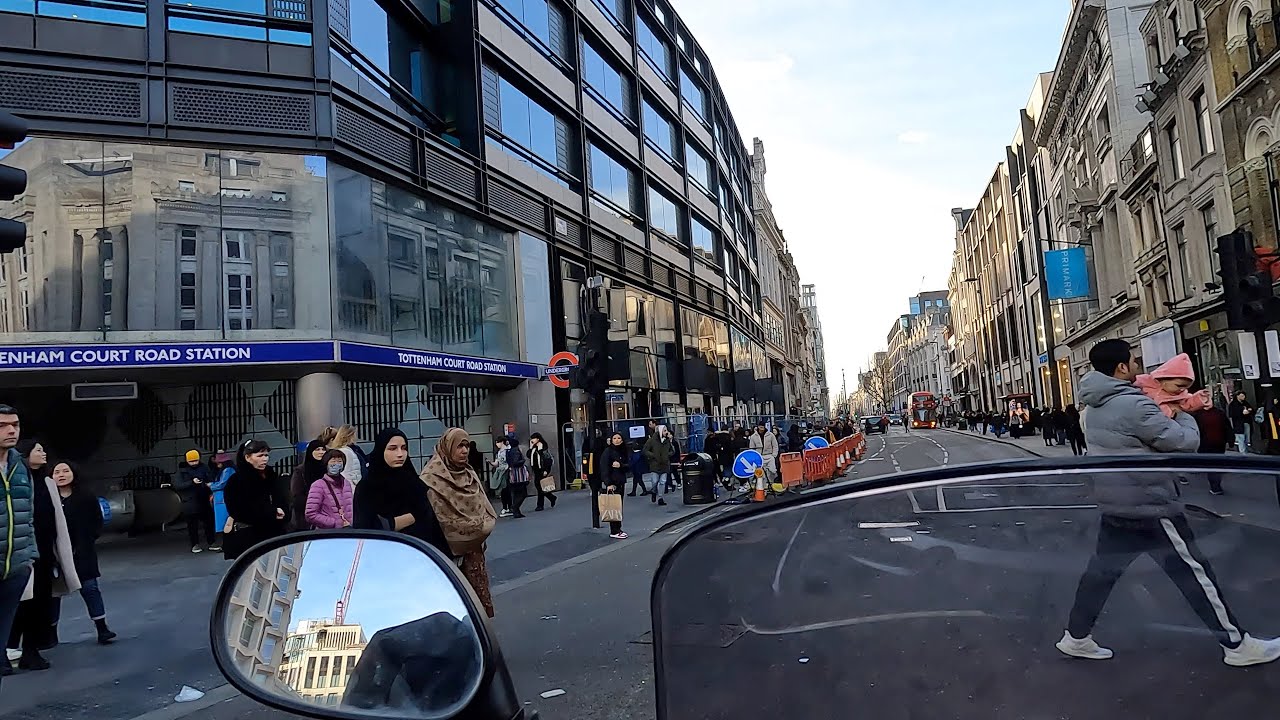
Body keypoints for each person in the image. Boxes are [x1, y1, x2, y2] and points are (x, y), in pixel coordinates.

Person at [1057, 338, 1280, 666]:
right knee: (1194, 572)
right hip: (1152, 503)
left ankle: (1076, 636)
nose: (1137, 366)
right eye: (1133, 361)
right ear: (1121, 368)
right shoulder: (1136, 406)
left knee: (1100, 575)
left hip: (1116, 503)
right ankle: (1237, 645)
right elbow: (1185, 444)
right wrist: (1184, 413)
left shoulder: (1091, 408)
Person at [8, 438, 80, 671]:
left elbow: (56, 519)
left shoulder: (47, 482)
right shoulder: (18, 479)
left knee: (38, 603)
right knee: (17, 604)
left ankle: (30, 650)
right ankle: (9, 650)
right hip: (21, 552)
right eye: (38, 450)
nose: (43, 453)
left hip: (44, 553)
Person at [421, 428, 498, 617]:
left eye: (467, 446)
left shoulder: (469, 474)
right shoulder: (431, 479)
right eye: (459, 446)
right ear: (447, 448)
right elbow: (435, 519)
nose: (464, 451)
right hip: (446, 554)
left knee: (475, 611)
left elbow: (484, 508)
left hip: (474, 553)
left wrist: (478, 530)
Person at [353, 428, 450, 557]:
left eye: (404, 448)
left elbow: (430, 527)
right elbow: (365, 529)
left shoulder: (415, 484)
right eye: (392, 448)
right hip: (381, 558)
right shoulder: (367, 487)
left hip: (418, 557)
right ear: (381, 450)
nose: (400, 454)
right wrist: (400, 521)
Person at [49, 461, 115, 645]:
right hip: (55, 555)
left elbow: (96, 522)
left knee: (90, 588)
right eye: (56, 471)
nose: (61, 475)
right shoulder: (48, 499)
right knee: (54, 594)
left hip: (82, 552)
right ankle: (51, 633)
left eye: (65, 471)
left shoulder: (85, 497)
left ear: (74, 473)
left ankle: (102, 628)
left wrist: (86, 541)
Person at [0, 406, 35, 684]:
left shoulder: (19, 465)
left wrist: (28, 557)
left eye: (15, 424)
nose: (11, 430)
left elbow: (28, 512)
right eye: (2, 425)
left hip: (15, 571)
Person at [222, 440, 288, 561]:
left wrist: (282, 511)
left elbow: (282, 498)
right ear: (248, 457)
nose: (265, 459)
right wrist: (271, 512)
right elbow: (237, 510)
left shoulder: (271, 476)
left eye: (266, 455)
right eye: (260, 455)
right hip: (248, 537)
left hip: (274, 534)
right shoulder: (236, 481)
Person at [1134, 353, 1211, 418]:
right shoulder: (1144, 382)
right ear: (1164, 379)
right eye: (1179, 386)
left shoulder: (1180, 396)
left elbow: (1188, 403)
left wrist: (1200, 399)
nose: (1182, 389)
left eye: (1186, 387)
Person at [174, 450, 215, 553]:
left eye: (196, 461)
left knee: (209, 523)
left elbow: (210, 478)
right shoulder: (182, 471)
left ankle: (212, 542)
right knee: (192, 525)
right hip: (190, 502)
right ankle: (195, 544)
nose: (194, 463)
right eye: (191, 461)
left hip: (204, 499)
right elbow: (178, 485)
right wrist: (191, 482)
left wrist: (207, 484)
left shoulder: (204, 467)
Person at [305, 449, 354, 529]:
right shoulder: (318, 485)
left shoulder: (346, 483)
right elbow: (310, 514)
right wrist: (335, 523)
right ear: (326, 463)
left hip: (348, 531)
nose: (336, 464)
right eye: (333, 461)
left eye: (339, 461)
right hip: (328, 533)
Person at [289, 438, 329, 531]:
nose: (321, 452)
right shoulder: (300, 471)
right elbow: (296, 495)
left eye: (323, 449)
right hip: (305, 519)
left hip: (327, 517)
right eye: (317, 449)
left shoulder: (328, 470)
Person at [1193, 401, 1232, 495]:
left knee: (1217, 464)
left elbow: (1227, 426)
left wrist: (1230, 440)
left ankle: (1216, 484)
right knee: (1211, 465)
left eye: (1209, 400)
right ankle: (1215, 486)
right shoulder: (1197, 414)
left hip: (1219, 443)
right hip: (1205, 444)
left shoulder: (1219, 413)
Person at [597, 432, 629, 539]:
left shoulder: (623, 451)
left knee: (618, 506)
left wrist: (621, 465)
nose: (616, 440)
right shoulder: (608, 451)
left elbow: (628, 467)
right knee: (613, 506)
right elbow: (604, 468)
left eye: (619, 438)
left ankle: (618, 529)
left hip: (620, 481)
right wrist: (608, 483)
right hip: (613, 483)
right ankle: (614, 530)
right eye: (614, 438)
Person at [643, 425, 676, 506]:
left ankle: (660, 498)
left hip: (665, 464)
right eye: (664, 430)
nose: (666, 432)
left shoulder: (667, 441)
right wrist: (653, 455)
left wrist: (667, 455)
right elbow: (645, 450)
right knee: (654, 481)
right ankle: (654, 492)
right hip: (655, 464)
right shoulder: (651, 440)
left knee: (662, 482)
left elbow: (673, 451)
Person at [208, 451, 234, 551]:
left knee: (225, 523)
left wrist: (211, 486)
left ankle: (226, 545)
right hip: (221, 499)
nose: (218, 465)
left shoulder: (227, 470)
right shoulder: (227, 470)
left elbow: (222, 484)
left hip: (223, 499)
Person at [503, 433, 530, 519]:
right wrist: (522, 460)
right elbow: (515, 462)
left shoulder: (508, 450)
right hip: (519, 474)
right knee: (522, 493)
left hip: (513, 474)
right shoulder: (515, 450)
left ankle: (516, 510)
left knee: (516, 493)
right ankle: (515, 507)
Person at [529, 433, 557, 511]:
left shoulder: (543, 447)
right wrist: (531, 448)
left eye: (533, 438)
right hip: (535, 469)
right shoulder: (534, 448)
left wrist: (546, 470)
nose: (532, 440)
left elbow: (547, 460)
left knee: (540, 487)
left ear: (538, 439)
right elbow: (528, 455)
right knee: (539, 486)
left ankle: (540, 505)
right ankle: (551, 497)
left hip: (542, 469)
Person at [748, 420, 779, 490]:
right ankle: (764, 487)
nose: (761, 428)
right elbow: (752, 448)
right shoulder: (753, 437)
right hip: (759, 457)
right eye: (760, 426)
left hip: (769, 455)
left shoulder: (771, 435)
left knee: (772, 471)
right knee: (762, 474)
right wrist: (755, 458)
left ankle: (771, 484)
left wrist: (774, 455)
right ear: (758, 427)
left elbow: (775, 445)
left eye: (763, 426)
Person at [488, 437, 511, 518]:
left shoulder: (508, 451)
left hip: (506, 472)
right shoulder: (498, 453)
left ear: (502, 442)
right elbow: (496, 464)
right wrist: (490, 462)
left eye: (497, 442)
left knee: (506, 489)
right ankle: (506, 507)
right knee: (503, 490)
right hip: (500, 472)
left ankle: (508, 507)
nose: (496, 444)